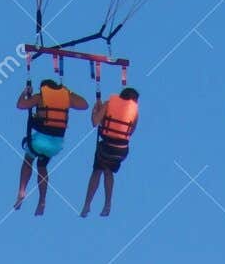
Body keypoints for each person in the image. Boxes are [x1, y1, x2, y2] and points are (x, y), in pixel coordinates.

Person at [14, 76, 87, 215]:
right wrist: (68, 93)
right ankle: (42, 200)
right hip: (56, 145)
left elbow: (20, 105)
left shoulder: (39, 97)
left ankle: (22, 191)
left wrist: (25, 92)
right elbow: (84, 105)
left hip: (39, 142)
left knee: (28, 159)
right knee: (42, 166)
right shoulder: (66, 99)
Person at [81, 87, 140, 217]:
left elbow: (95, 122)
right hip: (121, 151)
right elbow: (130, 131)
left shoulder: (108, 104)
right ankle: (107, 204)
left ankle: (87, 204)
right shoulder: (134, 112)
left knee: (97, 171)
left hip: (107, 148)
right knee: (108, 171)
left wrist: (95, 110)